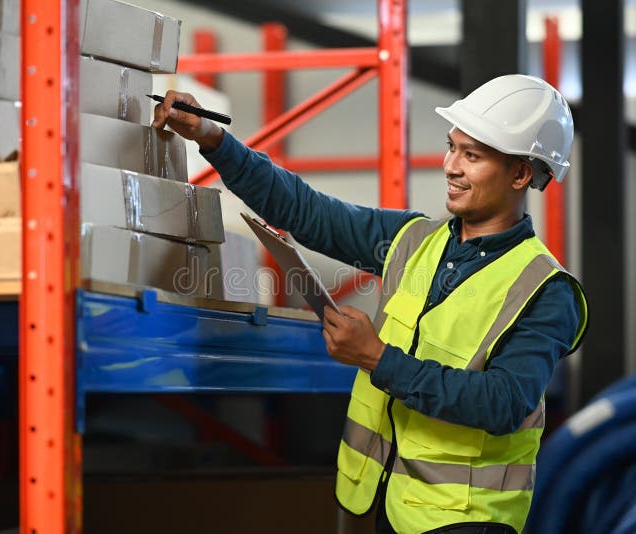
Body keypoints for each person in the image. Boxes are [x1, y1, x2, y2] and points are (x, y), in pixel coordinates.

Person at [152, 74, 588, 534]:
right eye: (452, 147)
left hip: (467, 521)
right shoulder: (413, 239)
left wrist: (377, 358)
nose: (451, 166)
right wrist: (212, 137)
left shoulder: (546, 289)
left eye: (472, 156)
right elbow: (306, 210)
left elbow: (502, 403)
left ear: (520, 174)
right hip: (391, 506)